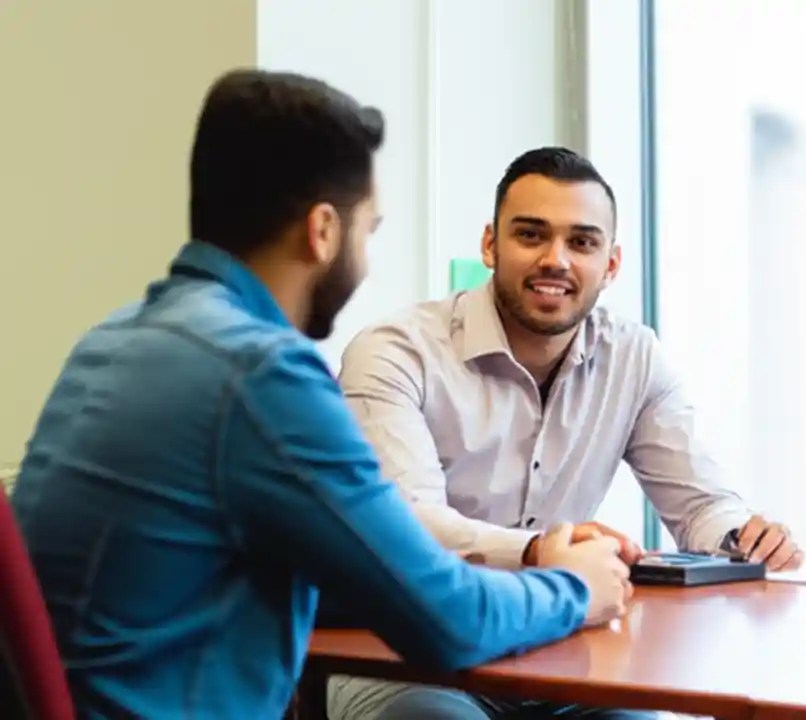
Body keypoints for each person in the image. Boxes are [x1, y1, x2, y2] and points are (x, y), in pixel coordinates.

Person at [11, 69, 630, 720]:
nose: (364, 258)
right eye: (370, 229)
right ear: (323, 232)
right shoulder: (260, 374)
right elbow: (449, 620)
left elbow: (354, 570)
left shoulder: (112, 341)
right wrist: (575, 587)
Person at [330, 146, 802, 719]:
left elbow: (701, 506)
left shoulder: (635, 357)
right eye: (531, 235)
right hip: (412, 655)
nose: (556, 260)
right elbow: (404, 531)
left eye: (581, 242)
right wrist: (542, 555)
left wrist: (742, 538)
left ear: (611, 263)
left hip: (560, 661)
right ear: (489, 244)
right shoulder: (395, 353)